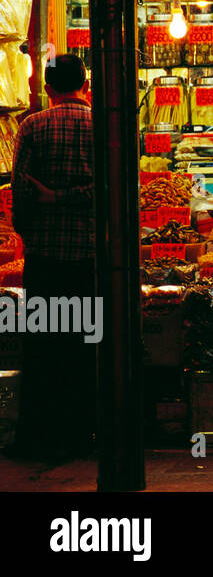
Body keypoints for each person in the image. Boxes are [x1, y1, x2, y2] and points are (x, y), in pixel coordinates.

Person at [6, 54, 96, 462]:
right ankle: (85, 433)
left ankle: (41, 436)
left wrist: (35, 225)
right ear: (85, 84)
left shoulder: (32, 126)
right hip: (94, 260)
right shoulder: (106, 127)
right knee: (87, 344)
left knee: (44, 346)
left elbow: (20, 193)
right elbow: (116, 189)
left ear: (47, 89)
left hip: (45, 260)